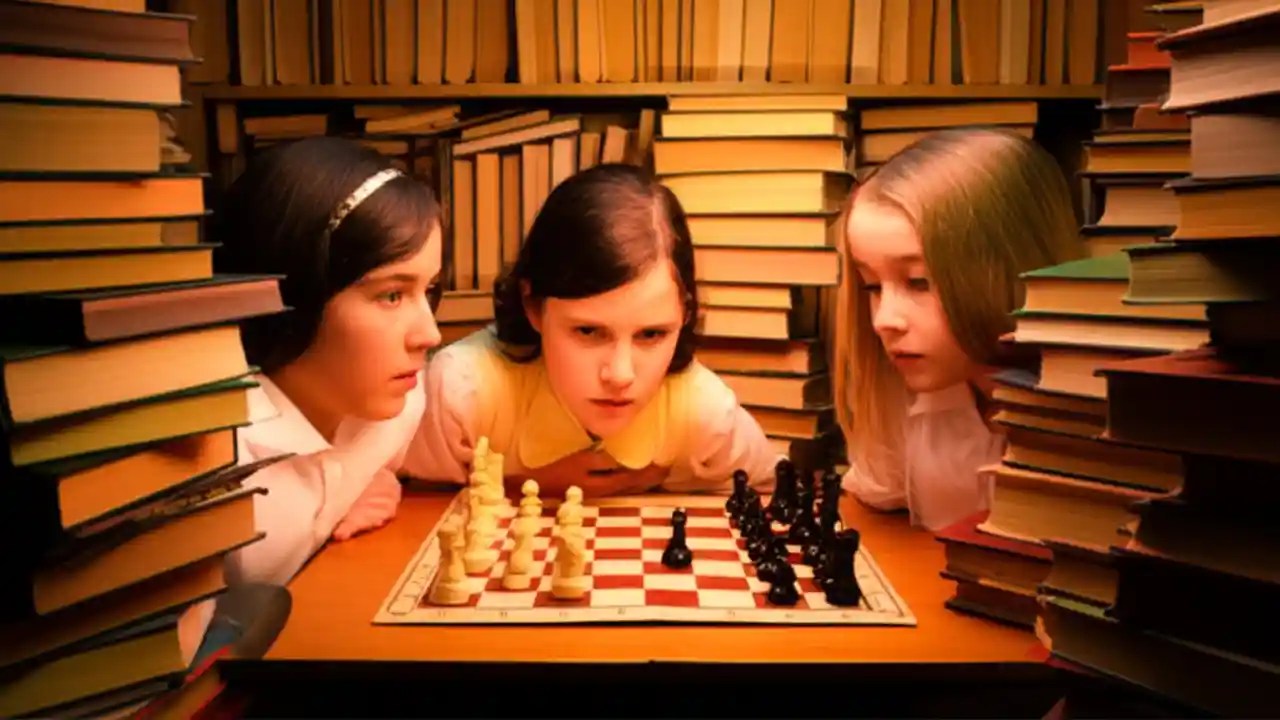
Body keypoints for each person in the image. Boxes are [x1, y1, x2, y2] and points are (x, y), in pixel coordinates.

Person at [402, 164, 780, 500]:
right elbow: (392, 491)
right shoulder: (461, 392)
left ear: (685, 314)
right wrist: (516, 484)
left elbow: (775, 485)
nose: (620, 375)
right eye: (588, 331)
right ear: (533, 305)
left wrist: (670, 472)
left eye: (651, 335)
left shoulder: (703, 411)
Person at [210, 136, 446, 587]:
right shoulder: (213, 469)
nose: (429, 334)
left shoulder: (400, 406)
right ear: (294, 295)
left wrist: (352, 491)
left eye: (428, 289)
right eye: (391, 295)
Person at [832, 128, 1083, 531]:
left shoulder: (1090, 431)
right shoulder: (908, 404)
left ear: (1009, 269)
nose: (884, 320)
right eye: (872, 287)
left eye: (918, 282)